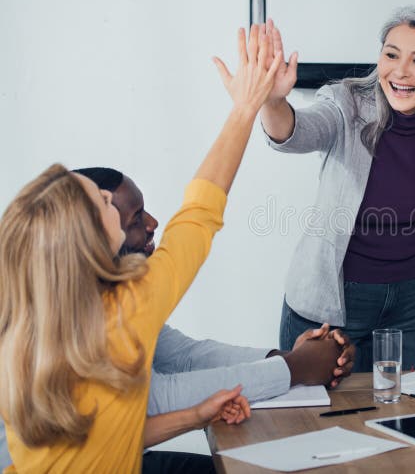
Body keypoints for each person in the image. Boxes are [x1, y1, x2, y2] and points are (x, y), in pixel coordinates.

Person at [0, 23, 328, 472]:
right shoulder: (124, 313)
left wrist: (196, 416)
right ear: (86, 243)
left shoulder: (19, 330)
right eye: (100, 203)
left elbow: (104, 433)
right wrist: (245, 106)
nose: (111, 205)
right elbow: (198, 215)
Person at [256, 6, 415, 372]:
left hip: (411, 303)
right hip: (333, 303)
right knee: (317, 421)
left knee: (406, 414)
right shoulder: (345, 104)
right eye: (391, 55)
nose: (400, 71)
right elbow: (296, 133)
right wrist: (273, 100)